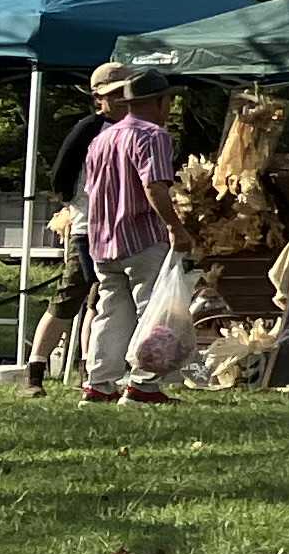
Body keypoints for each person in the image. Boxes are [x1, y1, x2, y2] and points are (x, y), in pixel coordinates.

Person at [75, 73, 184, 408]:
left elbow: (90, 191)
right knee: (152, 310)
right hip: (142, 237)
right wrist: (175, 227)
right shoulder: (153, 135)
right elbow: (155, 187)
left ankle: (99, 384)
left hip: (103, 240)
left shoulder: (102, 139)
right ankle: (143, 385)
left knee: (110, 311)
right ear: (160, 102)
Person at [23, 64, 130, 391]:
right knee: (71, 294)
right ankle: (35, 369)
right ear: (98, 98)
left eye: (125, 92)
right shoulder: (89, 128)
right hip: (87, 226)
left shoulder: (137, 128)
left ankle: (91, 371)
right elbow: (61, 175)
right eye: (114, 94)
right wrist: (77, 205)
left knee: (103, 299)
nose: (122, 100)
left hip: (122, 229)